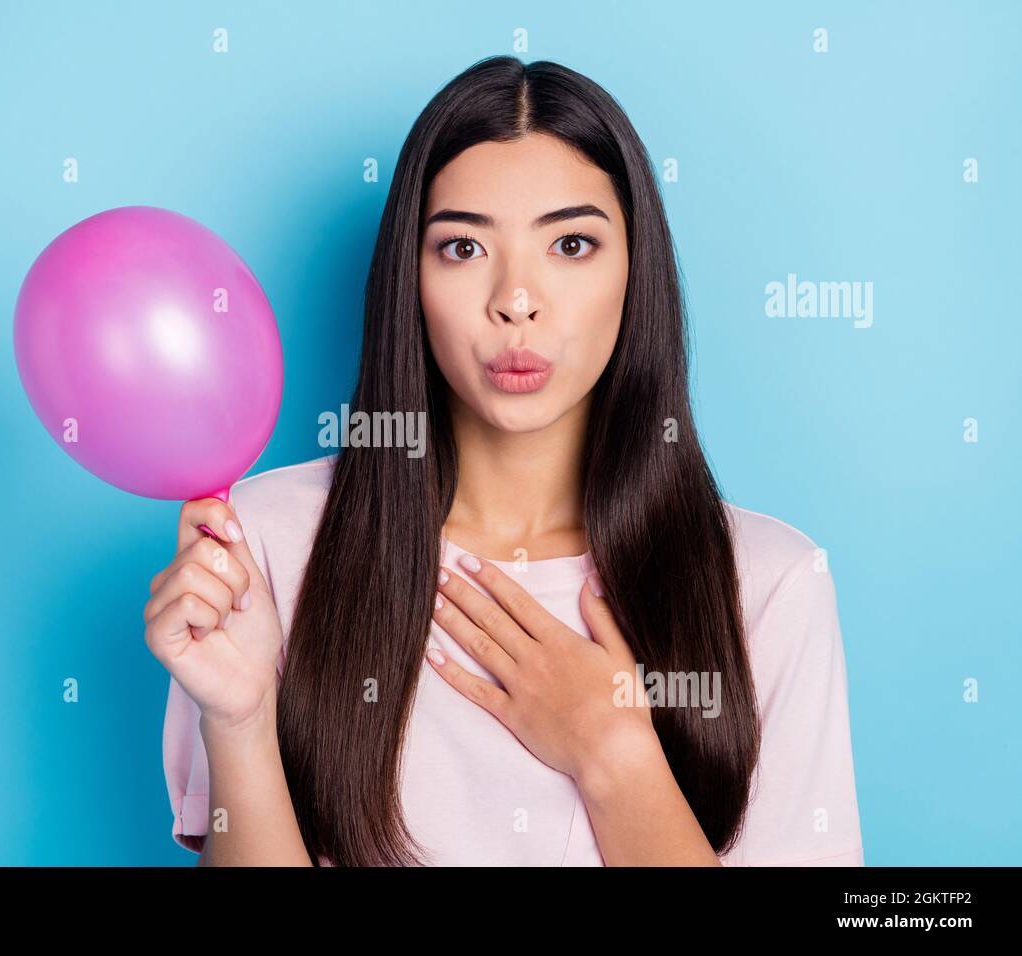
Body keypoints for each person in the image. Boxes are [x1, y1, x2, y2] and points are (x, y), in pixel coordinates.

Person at [146, 55, 864, 867]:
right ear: (408, 278)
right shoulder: (266, 542)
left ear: (636, 270)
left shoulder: (768, 583)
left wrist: (612, 754)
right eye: (462, 248)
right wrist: (238, 723)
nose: (516, 298)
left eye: (571, 243)